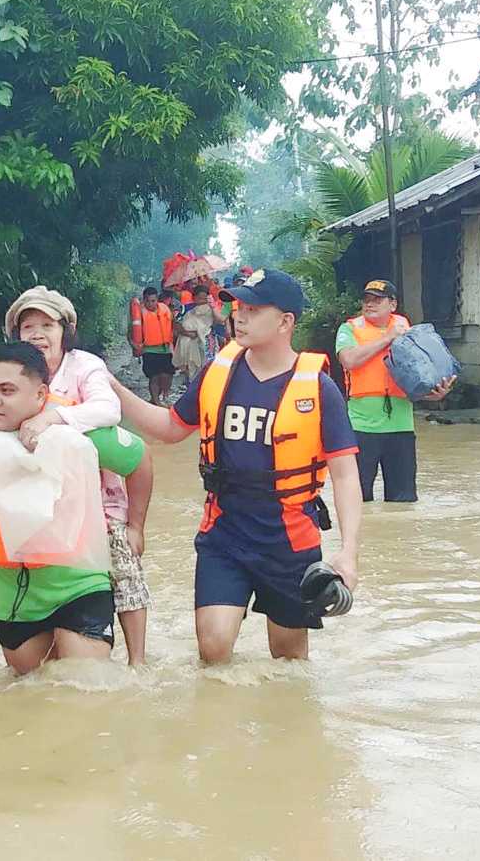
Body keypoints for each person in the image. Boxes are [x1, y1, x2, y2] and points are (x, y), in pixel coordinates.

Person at [107, 268, 364, 663]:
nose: (238, 316)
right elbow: (171, 428)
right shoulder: (219, 372)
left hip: (290, 543)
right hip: (223, 534)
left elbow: (345, 476)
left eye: (253, 308)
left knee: (288, 659)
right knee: (213, 648)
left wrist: (348, 553)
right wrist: (114, 388)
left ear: (285, 321)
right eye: (238, 306)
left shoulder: (318, 388)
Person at [0, 286, 154, 664]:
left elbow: (107, 409)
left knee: (123, 566)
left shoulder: (83, 367)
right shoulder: (7, 372)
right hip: (22, 500)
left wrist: (52, 417)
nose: (37, 333)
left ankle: (137, 660)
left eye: (48, 324)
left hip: (94, 496)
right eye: (28, 326)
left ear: (66, 330)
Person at [335, 279, 456, 503]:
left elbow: (421, 378)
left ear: (392, 305)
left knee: (404, 502)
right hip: (361, 427)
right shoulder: (350, 329)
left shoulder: (408, 332)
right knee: (358, 500)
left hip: (401, 427)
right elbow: (349, 360)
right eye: (366, 300)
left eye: (377, 300)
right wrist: (387, 337)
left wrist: (435, 393)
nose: (370, 304)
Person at [131, 286, 175, 405]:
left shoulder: (165, 309)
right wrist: (135, 347)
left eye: (153, 301)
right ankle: (155, 400)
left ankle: (163, 395)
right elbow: (131, 332)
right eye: (148, 301)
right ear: (144, 300)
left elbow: (172, 326)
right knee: (154, 376)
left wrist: (173, 346)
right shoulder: (139, 312)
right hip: (148, 349)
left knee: (167, 375)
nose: (150, 304)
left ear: (157, 300)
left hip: (165, 348)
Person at [174, 283, 221, 383]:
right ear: (194, 298)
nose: (202, 301)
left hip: (207, 342)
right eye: (200, 298)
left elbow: (218, 321)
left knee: (208, 367)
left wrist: (213, 307)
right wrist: (187, 333)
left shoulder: (212, 308)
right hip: (189, 342)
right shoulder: (185, 309)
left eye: (205, 298)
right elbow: (176, 323)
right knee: (191, 369)